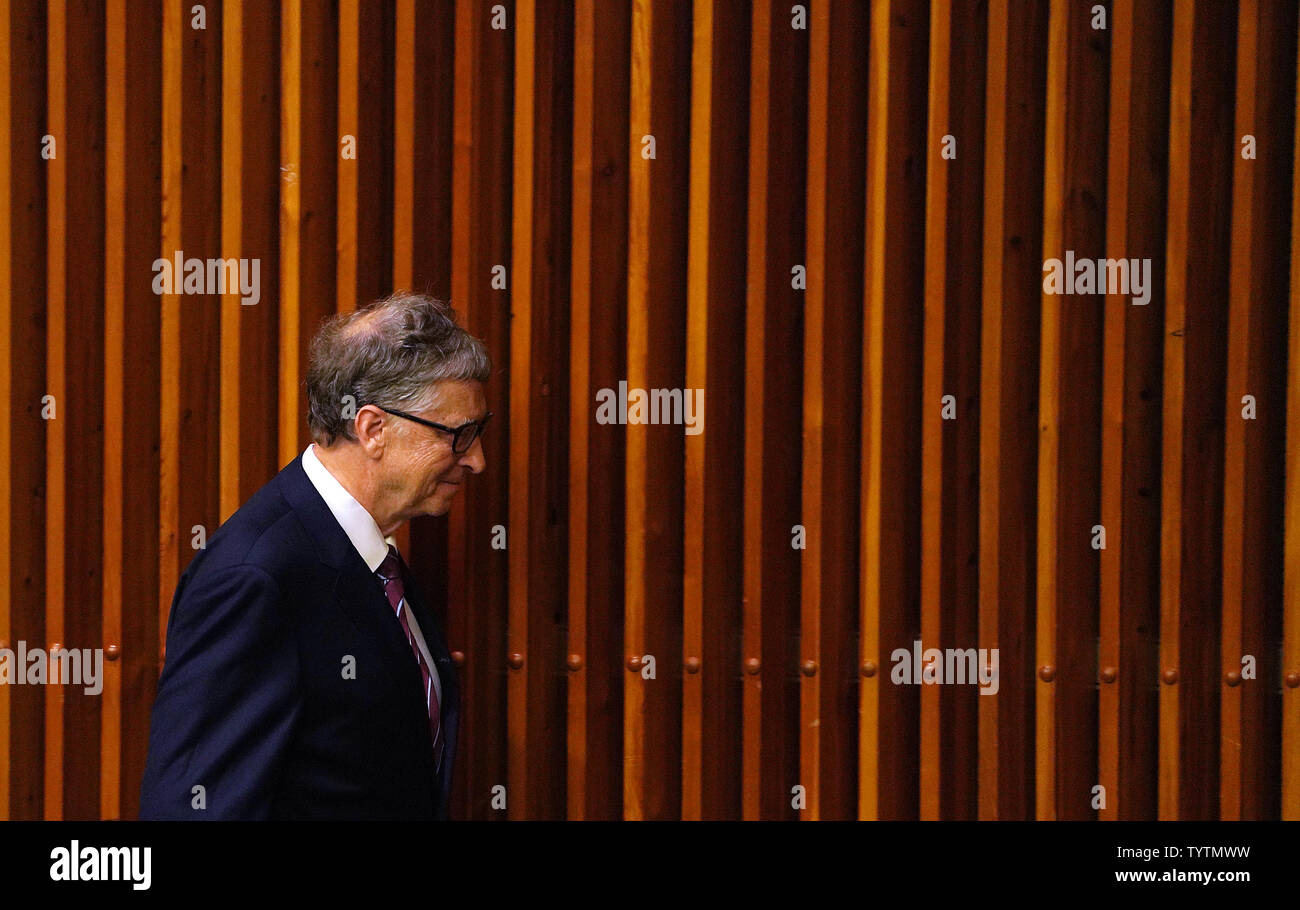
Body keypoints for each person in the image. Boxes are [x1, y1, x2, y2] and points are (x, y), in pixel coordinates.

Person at [139, 292, 491, 819]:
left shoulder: (374, 558)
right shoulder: (254, 578)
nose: (477, 461)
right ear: (373, 429)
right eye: (458, 436)